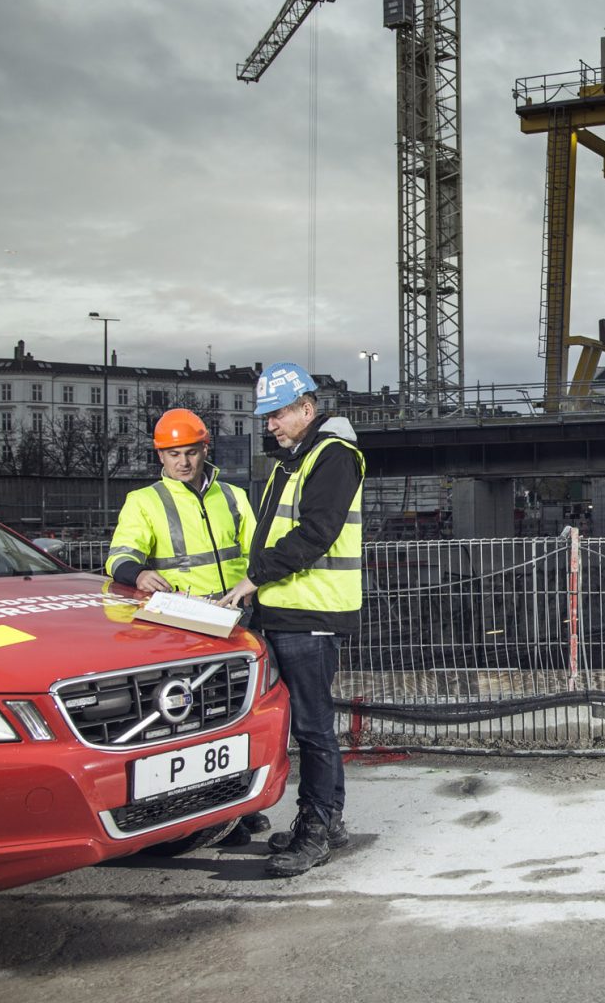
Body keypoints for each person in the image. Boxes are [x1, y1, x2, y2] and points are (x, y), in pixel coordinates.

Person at [220, 362, 365, 877]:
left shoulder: (332, 457)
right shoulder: (296, 459)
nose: (270, 425)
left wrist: (253, 578)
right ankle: (331, 821)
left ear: (308, 407)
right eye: (266, 417)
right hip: (291, 609)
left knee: (311, 727)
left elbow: (316, 532)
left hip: (313, 610)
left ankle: (315, 830)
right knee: (307, 724)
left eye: (278, 414)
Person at [105, 406, 268, 844]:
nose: (182, 461)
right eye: (172, 453)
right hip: (183, 632)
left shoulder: (233, 497)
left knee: (237, 721)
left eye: (190, 452)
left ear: (204, 450)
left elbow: (257, 553)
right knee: (194, 725)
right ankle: (205, 811)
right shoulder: (145, 501)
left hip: (237, 623)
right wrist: (136, 574)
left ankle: (240, 805)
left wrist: (251, 587)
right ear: (160, 455)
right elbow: (119, 555)